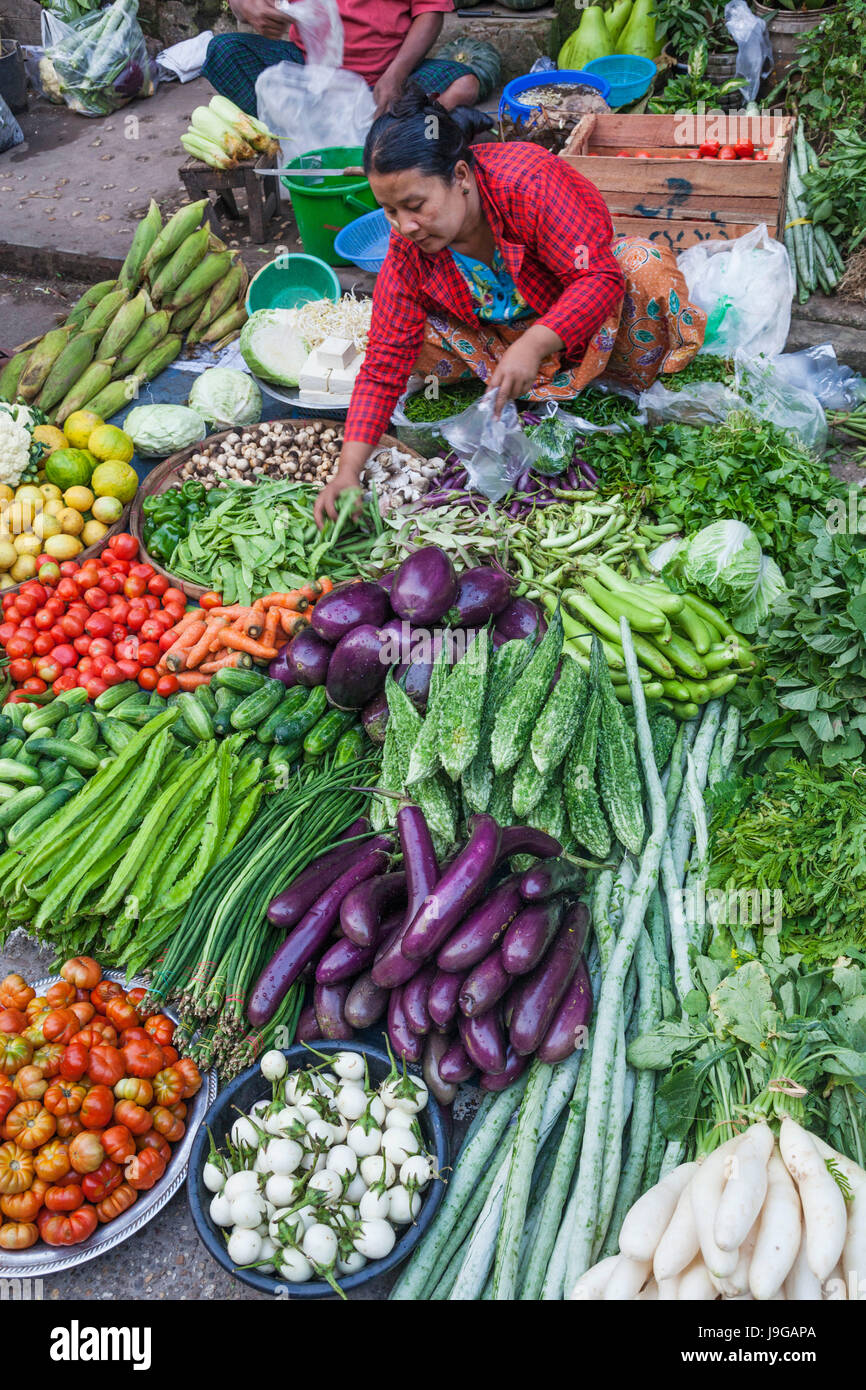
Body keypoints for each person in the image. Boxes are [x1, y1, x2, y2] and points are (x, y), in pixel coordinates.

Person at [314, 87, 706, 527]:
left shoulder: (528, 182)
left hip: (579, 325)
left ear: (461, 175)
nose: (404, 226)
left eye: (415, 206)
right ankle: (521, 396)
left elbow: (597, 277)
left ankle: (606, 388)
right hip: (496, 340)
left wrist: (536, 344)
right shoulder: (409, 247)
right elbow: (384, 361)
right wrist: (348, 471)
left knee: (644, 268)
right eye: (388, 211)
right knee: (409, 340)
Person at [202, 0, 483, 120]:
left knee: (465, 84)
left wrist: (396, 75)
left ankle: (398, 128)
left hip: (384, 80)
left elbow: (430, 13)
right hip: (306, 69)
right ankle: (287, 134)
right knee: (223, 52)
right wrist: (249, 8)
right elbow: (240, 5)